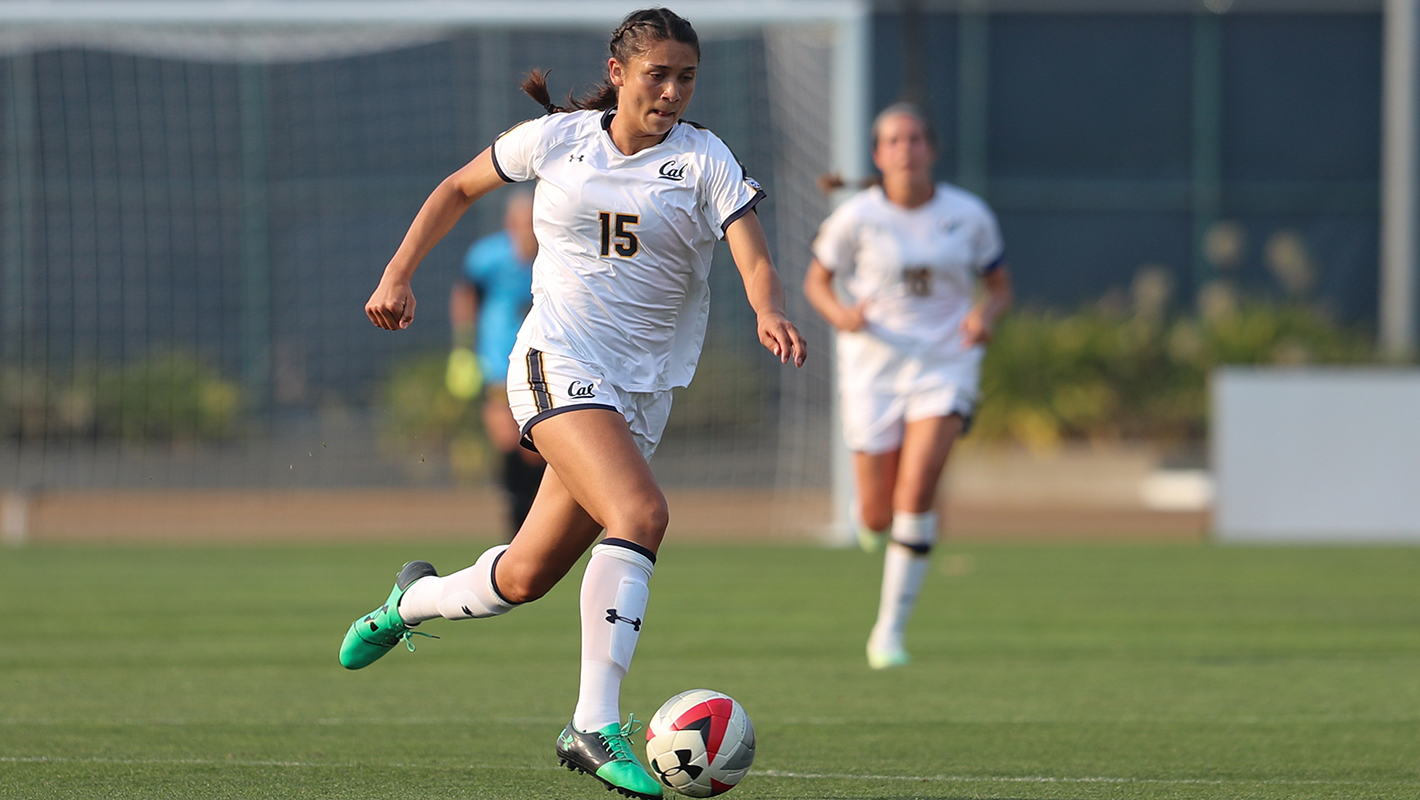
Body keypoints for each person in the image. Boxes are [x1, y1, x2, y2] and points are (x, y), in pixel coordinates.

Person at [341, 8, 807, 800]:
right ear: (619, 73)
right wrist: (397, 273)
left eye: (686, 77)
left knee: (522, 578)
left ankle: (408, 601)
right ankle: (594, 723)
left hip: (642, 390)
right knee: (642, 514)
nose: (671, 91)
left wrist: (767, 307)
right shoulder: (559, 138)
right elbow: (458, 186)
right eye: (657, 74)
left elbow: (750, 249)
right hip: (556, 360)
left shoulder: (704, 159)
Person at [803, 103, 1012, 671]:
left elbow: (998, 285)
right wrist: (841, 314)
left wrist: (984, 315)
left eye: (916, 138)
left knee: (917, 488)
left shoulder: (968, 214)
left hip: (945, 362)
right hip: (873, 366)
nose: (906, 148)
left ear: (931, 149)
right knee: (876, 514)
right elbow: (817, 281)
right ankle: (873, 520)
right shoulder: (856, 218)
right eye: (894, 140)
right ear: (879, 154)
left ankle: (888, 632)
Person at [446, 188, 546, 539]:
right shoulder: (489, 256)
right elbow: (465, 296)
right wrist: (463, 348)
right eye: (521, 222)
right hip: (498, 366)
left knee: (539, 448)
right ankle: (517, 518)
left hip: (547, 366)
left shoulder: (557, 255)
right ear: (509, 223)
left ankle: (536, 521)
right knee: (509, 441)